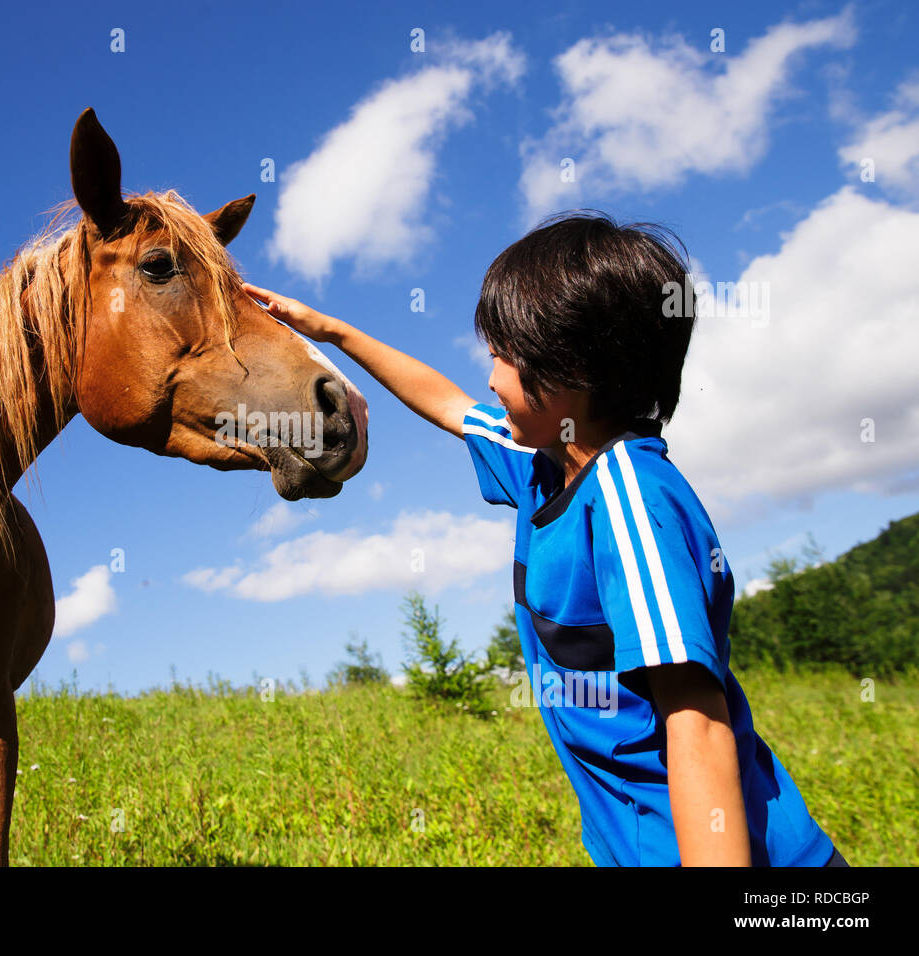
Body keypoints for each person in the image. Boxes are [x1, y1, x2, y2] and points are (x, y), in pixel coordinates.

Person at [242, 210, 847, 867]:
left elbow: (696, 723)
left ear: (572, 373)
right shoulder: (550, 461)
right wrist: (329, 332)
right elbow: (446, 403)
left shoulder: (630, 501)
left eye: (506, 356)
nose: (492, 379)